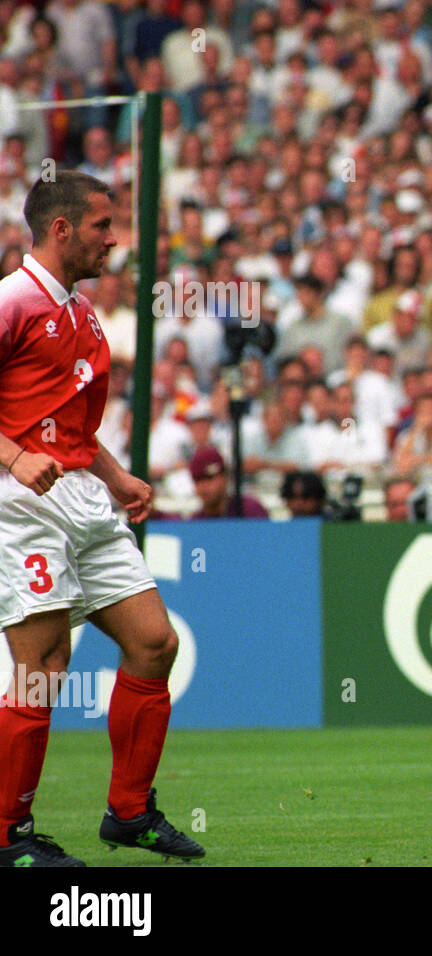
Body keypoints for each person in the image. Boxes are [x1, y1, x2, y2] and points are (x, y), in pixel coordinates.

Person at [0, 171, 203, 865]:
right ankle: (8, 835)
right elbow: (25, 435)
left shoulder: (81, 313)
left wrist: (115, 477)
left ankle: (130, 812)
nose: (113, 240)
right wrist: (13, 457)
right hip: (20, 503)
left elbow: (66, 418)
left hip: (83, 494)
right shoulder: (13, 299)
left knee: (154, 642)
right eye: (102, 226)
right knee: (43, 666)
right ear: (61, 230)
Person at [188, 446, 269, 519]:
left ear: (225, 477)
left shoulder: (249, 511)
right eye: (198, 480)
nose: (204, 486)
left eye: (210, 478)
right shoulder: (196, 522)